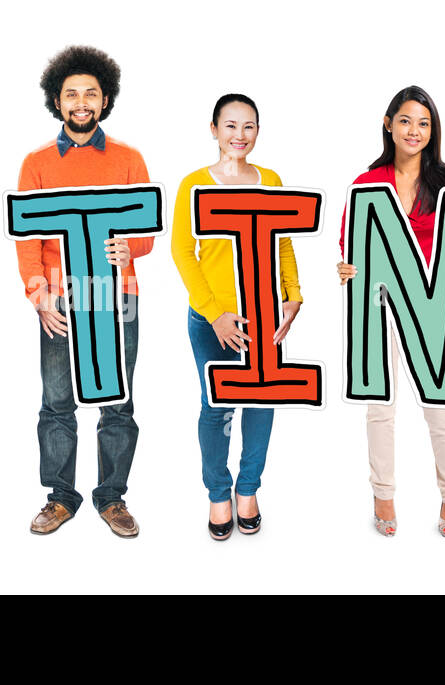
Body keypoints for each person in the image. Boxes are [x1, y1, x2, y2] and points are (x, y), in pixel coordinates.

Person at [336, 85, 445, 538]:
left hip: (431, 303)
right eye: (405, 120)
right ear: (388, 124)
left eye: (423, 123)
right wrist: (345, 267)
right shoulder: (367, 183)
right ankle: (383, 494)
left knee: (439, 407)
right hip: (382, 302)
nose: (414, 130)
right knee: (379, 405)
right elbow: (351, 242)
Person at [17, 45, 153, 538]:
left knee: (118, 402)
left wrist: (128, 249)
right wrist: (39, 296)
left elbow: (146, 233)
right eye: (71, 93)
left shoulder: (128, 159)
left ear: (105, 99)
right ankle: (59, 497)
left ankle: (111, 497)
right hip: (58, 298)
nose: (80, 102)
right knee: (57, 402)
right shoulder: (35, 164)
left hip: (118, 297)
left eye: (90, 93)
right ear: (57, 100)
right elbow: (28, 241)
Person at [170, 94, 303, 540]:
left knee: (262, 400)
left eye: (248, 126)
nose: (239, 135)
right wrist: (215, 315)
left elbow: (282, 242)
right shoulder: (193, 184)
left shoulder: (271, 181)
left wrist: (293, 295)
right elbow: (183, 253)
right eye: (230, 126)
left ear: (258, 132)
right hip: (212, 322)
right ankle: (218, 493)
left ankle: (249, 489)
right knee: (217, 406)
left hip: (264, 317)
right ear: (213, 129)